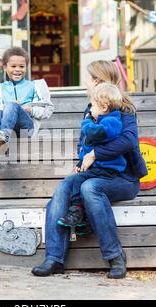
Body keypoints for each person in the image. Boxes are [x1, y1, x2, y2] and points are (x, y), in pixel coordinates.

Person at [32, 60, 148, 279]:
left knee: (90, 188)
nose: (85, 84)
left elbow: (129, 141)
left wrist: (95, 155)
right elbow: (83, 144)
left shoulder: (124, 109)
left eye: (87, 79)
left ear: (96, 81)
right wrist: (81, 162)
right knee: (66, 186)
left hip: (123, 178)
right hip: (96, 173)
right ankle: (54, 259)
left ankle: (115, 257)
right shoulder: (91, 108)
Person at [57, 83, 126, 228]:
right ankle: (86, 220)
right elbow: (89, 148)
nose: (90, 110)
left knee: (79, 181)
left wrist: (87, 121)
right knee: (78, 180)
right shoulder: (103, 121)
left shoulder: (112, 122)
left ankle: (76, 210)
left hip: (107, 169)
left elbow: (93, 134)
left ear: (104, 107)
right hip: (98, 166)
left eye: (92, 106)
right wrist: (80, 163)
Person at [0, 47, 54, 152]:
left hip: (26, 129)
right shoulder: (0, 88)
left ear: (26, 67)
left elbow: (47, 110)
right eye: (13, 66)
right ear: (5, 67)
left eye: (21, 66)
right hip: (6, 126)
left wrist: (30, 110)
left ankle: (2, 138)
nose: (17, 69)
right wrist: (4, 107)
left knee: (12, 105)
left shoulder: (33, 86)